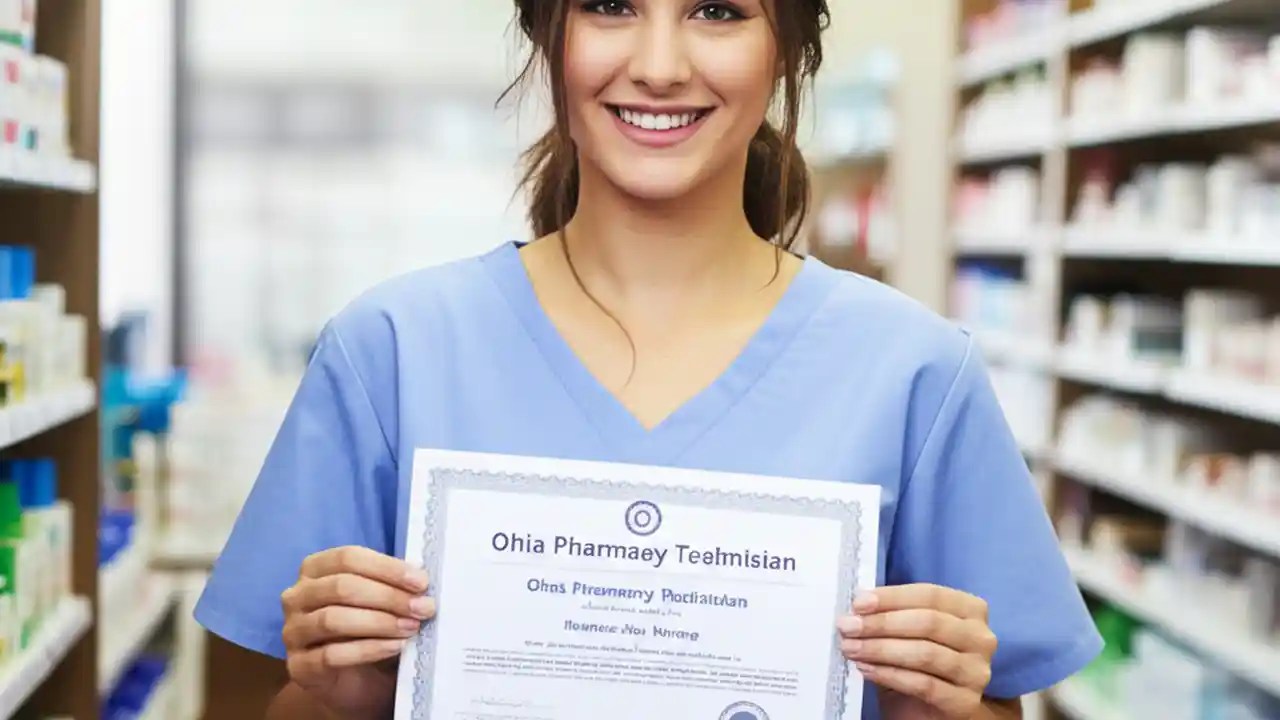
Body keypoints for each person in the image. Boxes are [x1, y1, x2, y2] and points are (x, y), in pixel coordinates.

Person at [193, 0, 1103, 718]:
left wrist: (935, 707)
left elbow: (994, 709)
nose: (661, 67)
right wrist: (341, 700)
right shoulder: (391, 351)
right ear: (550, 36)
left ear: (787, 47)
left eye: (717, 9)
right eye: (611, 4)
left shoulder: (915, 374)